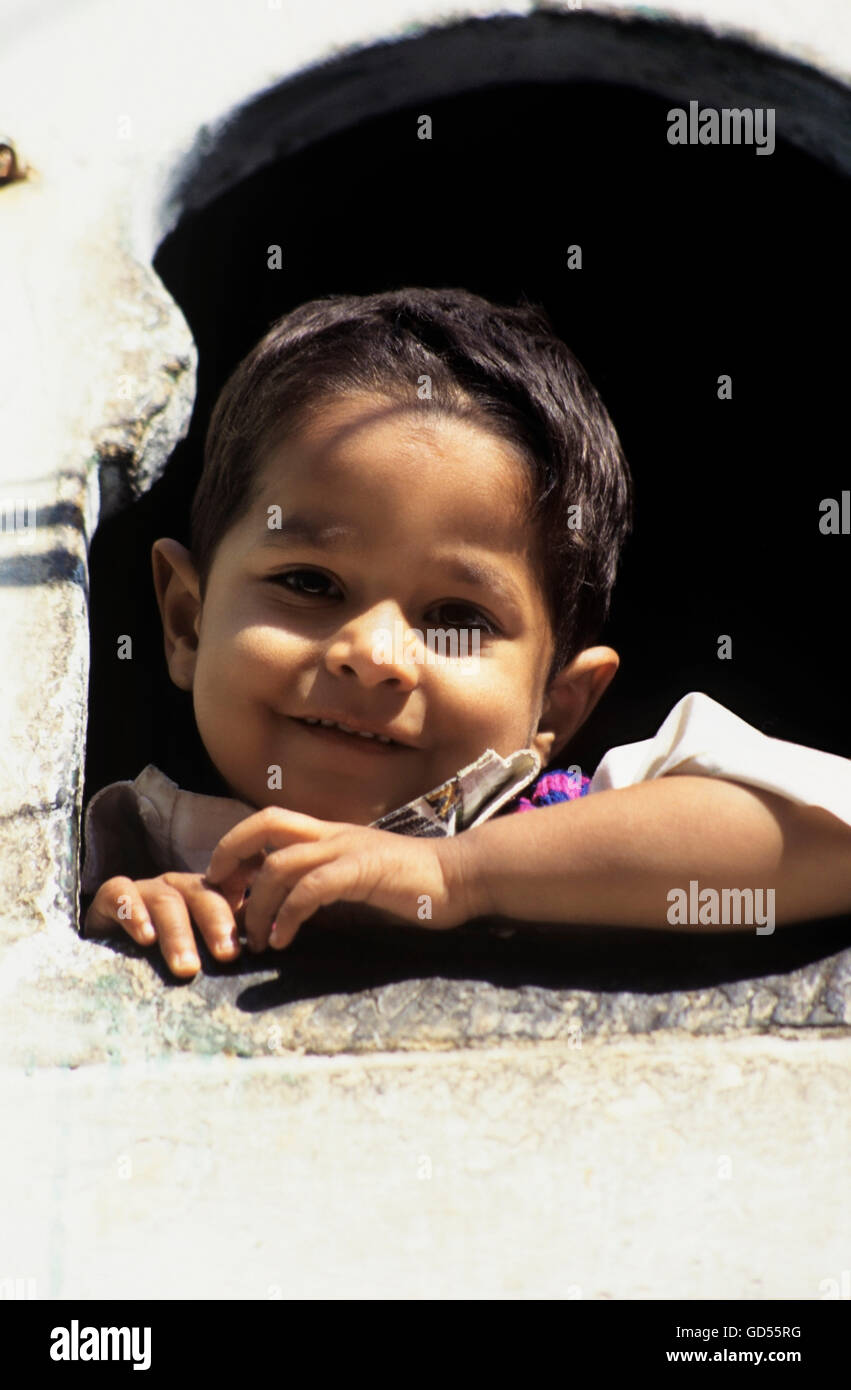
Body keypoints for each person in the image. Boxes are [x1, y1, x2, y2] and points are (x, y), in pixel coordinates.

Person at [80, 287, 851, 977]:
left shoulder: (573, 825)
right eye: (310, 583)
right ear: (187, 621)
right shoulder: (132, 852)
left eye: (456, 618)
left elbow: (834, 838)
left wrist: (457, 874)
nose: (373, 656)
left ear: (555, 709)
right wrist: (130, 931)